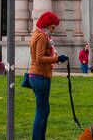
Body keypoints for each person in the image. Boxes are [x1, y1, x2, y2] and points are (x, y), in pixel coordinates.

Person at [28, 11, 67, 140]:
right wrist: (57, 59)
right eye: (52, 27)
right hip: (40, 76)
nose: (53, 30)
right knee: (42, 111)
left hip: (38, 76)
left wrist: (49, 48)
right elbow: (39, 58)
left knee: (44, 110)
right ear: (47, 25)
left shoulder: (38, 34)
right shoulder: (41, 36)